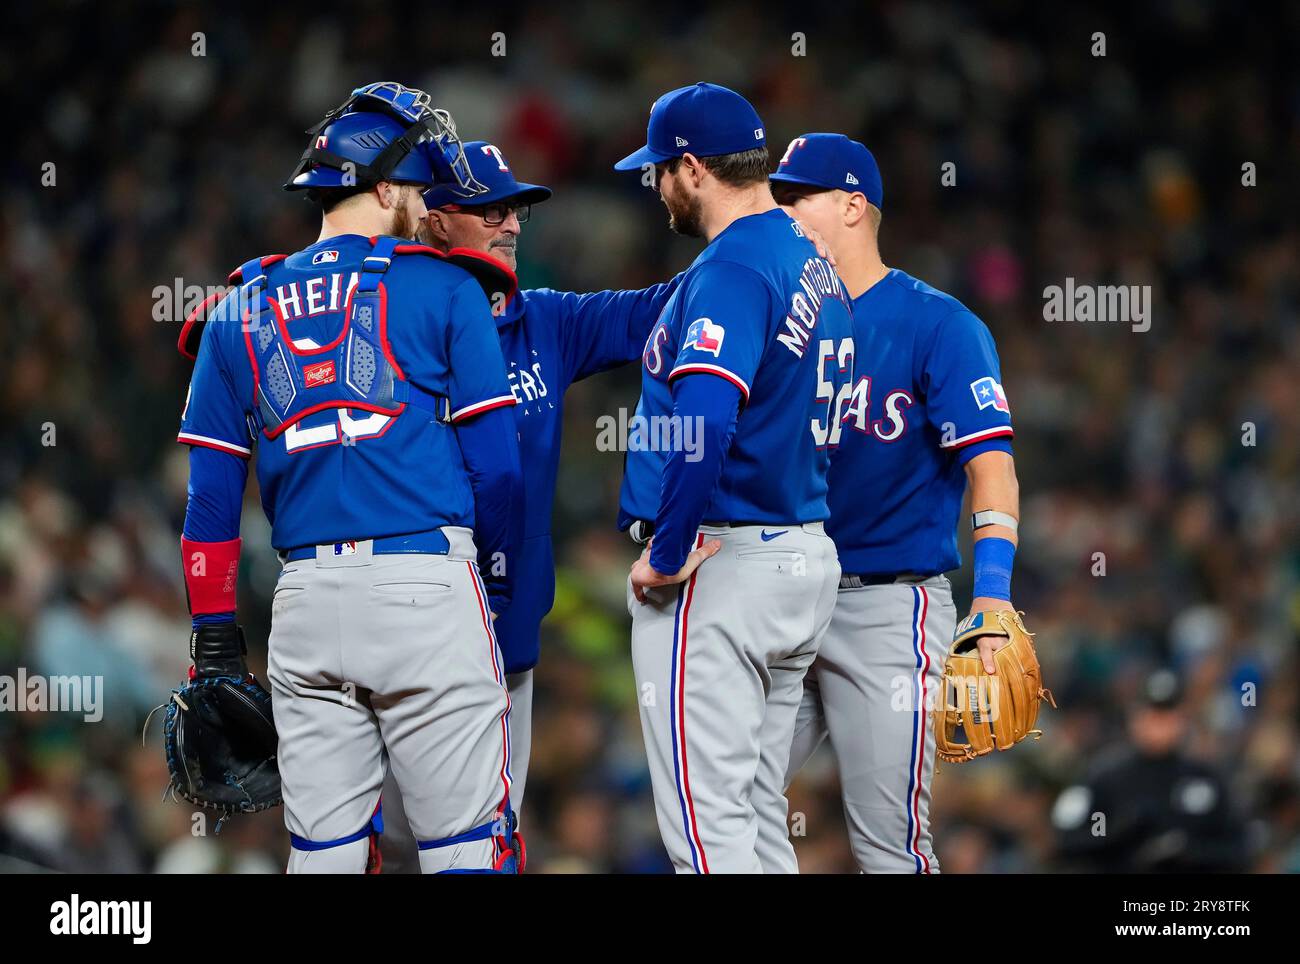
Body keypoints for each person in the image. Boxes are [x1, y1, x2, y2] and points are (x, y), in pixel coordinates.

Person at [176, 82, 524, 873]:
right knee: (468, 851)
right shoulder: (444, 285)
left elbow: (208, 504)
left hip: (304, 606)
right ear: (387, 188)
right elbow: (499, 472)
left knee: (325, 855)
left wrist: (217, 642)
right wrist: (494, 588)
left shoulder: (235, 306)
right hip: (426, 587)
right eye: (419, 186)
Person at [614, 84, 855, 873]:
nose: (655, 188)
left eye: (659, 171)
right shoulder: (808, 258)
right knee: (753, 816)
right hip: (800, 553)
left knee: (706, 831)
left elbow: (707, 419)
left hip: (722, 565)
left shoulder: (733, 267)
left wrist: (672, 543)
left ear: (692, 168)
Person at [770, 133, 1020, 873]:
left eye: (796, 198)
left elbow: (992, 467)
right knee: (722, 802)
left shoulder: (938, 324)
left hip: (885, 606)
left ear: (853, 206)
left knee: (889, 844)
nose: (780, 212)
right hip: (780, 596)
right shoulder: (782, 319)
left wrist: (995, 596)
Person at [417, 141, 684, 817]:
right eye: (492, 210)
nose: (511, 225)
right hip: (412, 623)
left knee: (490, 828)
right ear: (437, 218)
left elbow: (666, 308)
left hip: (509, 633)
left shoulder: (546, 322)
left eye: (516, 212)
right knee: (388, 843)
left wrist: (757, 238)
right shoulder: (391, 321)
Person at [1052, 668, 1248, 872]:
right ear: (1134, 717)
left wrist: (1190, 851)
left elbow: (1240, 847)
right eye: (1152, 713)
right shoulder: (1104, 776)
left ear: (1183, 718)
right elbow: (1066, 840)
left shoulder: (1207, 779)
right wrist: (1115, 835)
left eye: (1167, 714)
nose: (1159, 724)